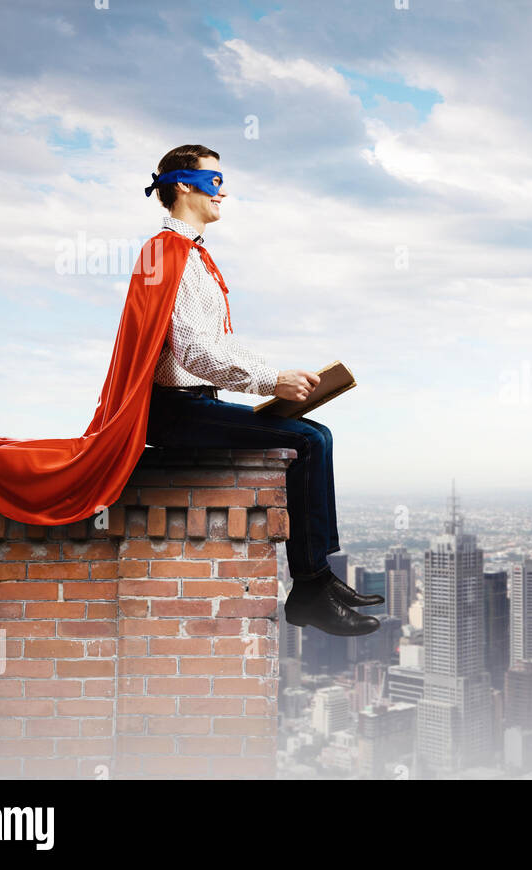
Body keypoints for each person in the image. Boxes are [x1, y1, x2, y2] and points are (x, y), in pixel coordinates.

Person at [141, 144, 380, 637]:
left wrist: (282, 376)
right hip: (175, 413)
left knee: (317, 434)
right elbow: (192, 353)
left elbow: (219, 344)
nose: (222, 190)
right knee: (308, 440)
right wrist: (272, 383)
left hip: (195, 403)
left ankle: (319, 579)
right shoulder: (172, 255)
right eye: (214, 180)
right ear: (183, 185)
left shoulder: (190, 255)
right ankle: (311, 587)